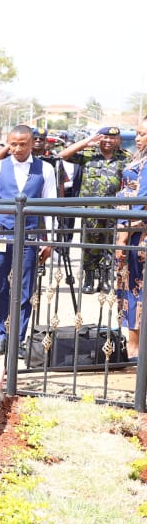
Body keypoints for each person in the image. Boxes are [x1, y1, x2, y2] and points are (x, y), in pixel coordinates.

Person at [0, 125, 56, 357]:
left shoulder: (45, 169)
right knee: (1, 286)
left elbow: (50, 206)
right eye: (13, 144)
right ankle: (2, 336)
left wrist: (50, 241)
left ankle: (19, 338)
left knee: (26, 288)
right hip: (3, 233)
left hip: (30, 237)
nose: (17, 148)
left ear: (33, 143)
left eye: (23, 144)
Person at [58, 125, 128, 294]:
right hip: (91, 210)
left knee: (109, 244)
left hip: (114, 209)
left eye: (113, 138)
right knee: (89, 244)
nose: (109, 141)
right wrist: (87, 142)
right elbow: (63, 155)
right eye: (105, 137)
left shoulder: (125, 158)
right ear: (99, 138)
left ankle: (104, 278)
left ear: (118, 140)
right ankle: (89, 278)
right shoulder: (89, 155)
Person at [116, 117, 147, 354]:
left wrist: (124, 236)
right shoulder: (139, 159)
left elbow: (141, 203)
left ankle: (135, 350)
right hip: (132, 230)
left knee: (135, 289)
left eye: (143, 134)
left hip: (138, 235)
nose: (138, 138)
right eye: (137, 133)